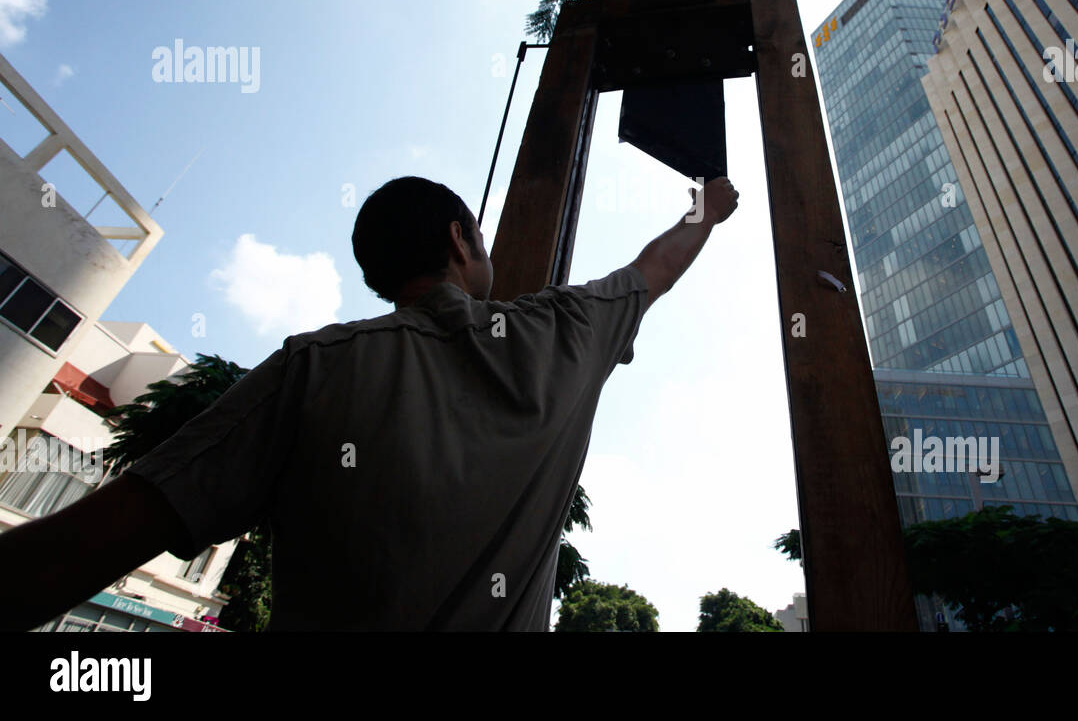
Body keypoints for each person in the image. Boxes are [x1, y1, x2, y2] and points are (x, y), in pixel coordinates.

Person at [0, 174, 739, 631]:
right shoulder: (560, 334)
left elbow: (81, 546)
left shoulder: (312, 367)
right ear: (459, 238)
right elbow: (655, 269)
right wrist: (705, 208)